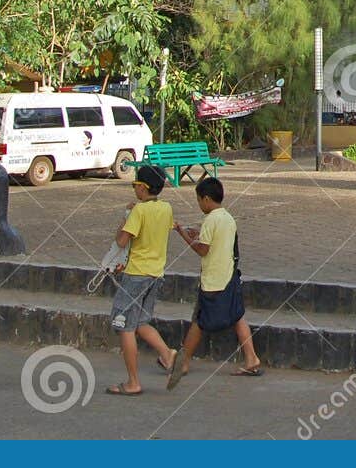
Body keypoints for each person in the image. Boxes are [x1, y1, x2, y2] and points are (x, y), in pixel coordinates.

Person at [167, 176, 262, 387]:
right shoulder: (228, 217)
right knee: (238, 316)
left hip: (213, 280)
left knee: (200, 320)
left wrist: (184, 234)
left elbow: (203, 249)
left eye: (199, 200)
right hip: (229, 275)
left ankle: (184, 363)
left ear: (207, 199)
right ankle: (251, 358)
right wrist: (198, 234)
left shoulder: (210, 219)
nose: (199, 204)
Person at [106, 165, 177, 396]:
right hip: (156, 273)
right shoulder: (166, 208)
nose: (134, 188)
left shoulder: (138, 211)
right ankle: (167, 355)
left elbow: (121, 241)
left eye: (135, 185)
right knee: (140, 323)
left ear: (143, 187)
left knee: (124, 326)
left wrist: (125, 216)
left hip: (136, 274)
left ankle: (133, 382)